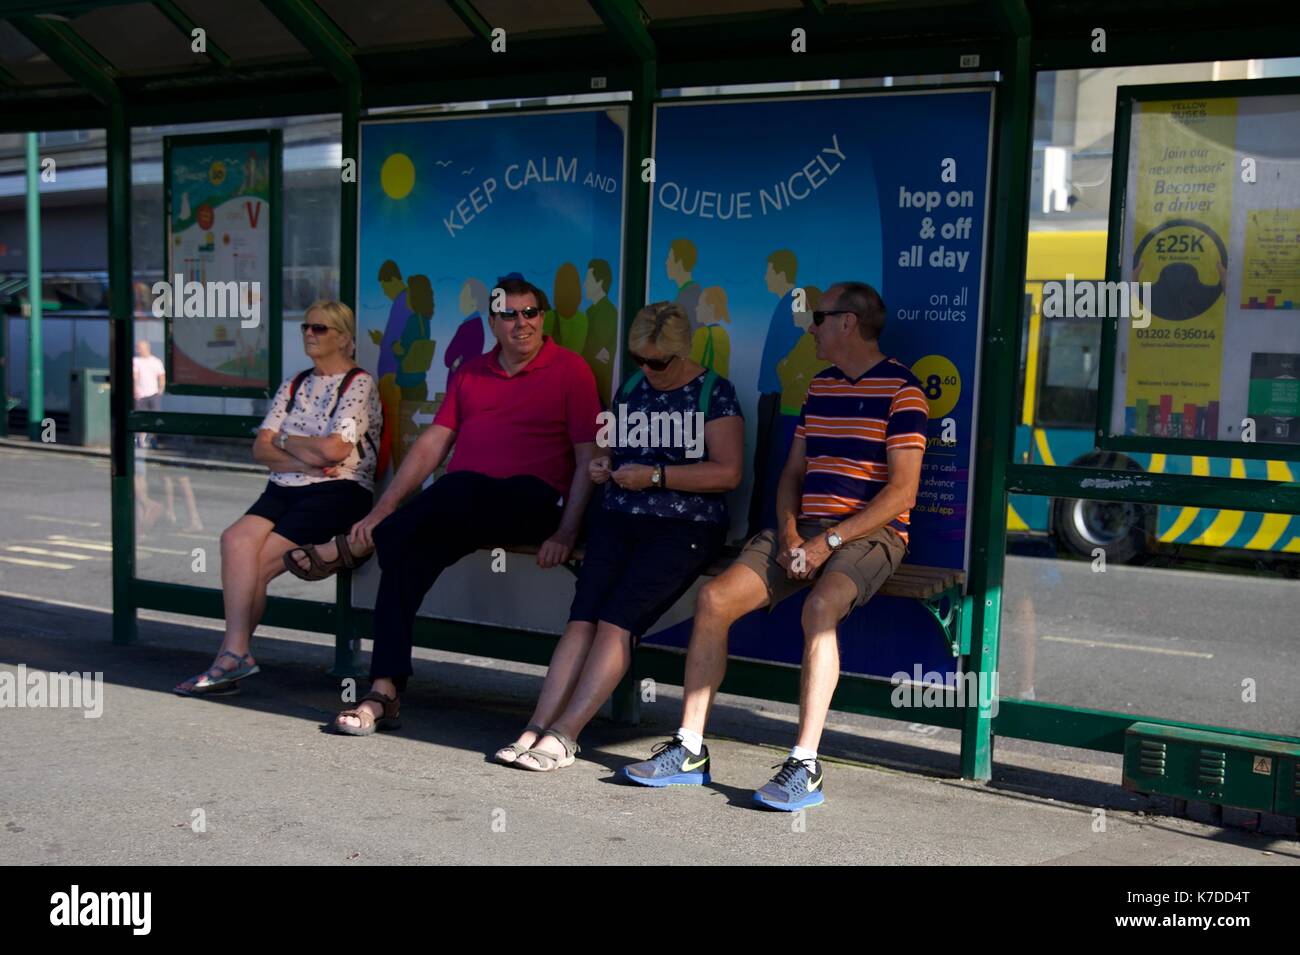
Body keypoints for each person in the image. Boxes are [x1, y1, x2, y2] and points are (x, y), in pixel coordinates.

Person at [622, 282, 928, 811]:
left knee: (820, 608)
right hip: (804, 529)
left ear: (848, 323)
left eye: (819, 318)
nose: (811, 328)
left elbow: (902, 493)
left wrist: (828, 541)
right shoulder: (820, 386)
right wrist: (789, 533)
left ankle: (805, 765)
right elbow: (791, 474)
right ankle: (689, 749)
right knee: (714, 599)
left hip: (870, 535)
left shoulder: (904, 390)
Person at [315, 277, 601, 735]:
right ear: (493, 322)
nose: (522, 323)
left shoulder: (571, 369)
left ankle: (356, 546)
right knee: (404, 556)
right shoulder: (471, 371)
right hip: (465, 508)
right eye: (509, 314)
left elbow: (590, 457)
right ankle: (384, 691)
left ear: (543, 318)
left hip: (531, 504)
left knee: (456, 485)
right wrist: (382, 508)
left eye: (530, 313)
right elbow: (433, 443)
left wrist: (566, 532)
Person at [497, 302, 744, 771]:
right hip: (619, 516)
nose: (648, 369)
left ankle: (565, 735)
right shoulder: (631, 387)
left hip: (684, 525)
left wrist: (656, 477)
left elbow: (728, 472)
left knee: (616, 621)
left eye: (658, 362)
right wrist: (602, 467)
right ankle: (535, 726)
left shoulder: (714, 392)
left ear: (682, 352)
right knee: (581, 619)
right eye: (639, 359)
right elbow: (608, 452)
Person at [173, 301, 381, 695]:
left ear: (344, 338)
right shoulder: (295, 383)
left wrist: (287, 441)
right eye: (306, 327)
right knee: (234, 540)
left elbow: (337, 449)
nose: (309, 334)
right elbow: (261, 448)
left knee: (258, 563)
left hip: (338, 491)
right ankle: (235, 655)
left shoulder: (359, 383)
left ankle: (231, 658)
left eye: (320, 328)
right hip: (285, 486)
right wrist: (302, 453)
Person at [749, 249, 802, 534]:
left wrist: (787, 372)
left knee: (771, 464)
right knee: (764, 464)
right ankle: (757, 529)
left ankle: (762, 531)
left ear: (780, 272)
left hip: (781, 396)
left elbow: (801, 340)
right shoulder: (786, 302)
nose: (765, 277)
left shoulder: (795, 299)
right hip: (773, 393)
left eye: (769, 270)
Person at [581, 259, 618, 406]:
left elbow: (593, 350)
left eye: (588, 280)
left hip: (599, 391)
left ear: (600, 282)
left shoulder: (607, 311)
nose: (584, 285)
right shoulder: (591, 312)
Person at [690, 285, 732, 377]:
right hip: (718, 383)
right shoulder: (723, 332)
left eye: (700, 304)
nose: (696, 308)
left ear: (710, 308)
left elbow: (691, 366)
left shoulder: (702, 333)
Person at [132, 339, 165, 448]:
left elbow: (161, 376)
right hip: (140, 395)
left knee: (155, 419)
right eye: (137, 348)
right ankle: (140, 440)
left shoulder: (156, 361)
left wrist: (160, 391)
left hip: (154, 394)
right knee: (141, 418)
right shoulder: (135, 361)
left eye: (139, 348)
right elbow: (135, 376)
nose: (137, 350)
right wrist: (135, 390)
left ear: (146, 348)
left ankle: (153, 440)